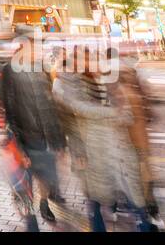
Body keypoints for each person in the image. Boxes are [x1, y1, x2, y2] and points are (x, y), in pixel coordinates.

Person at [52, 47, 154, 232]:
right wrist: (78, 152)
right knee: (95, 201)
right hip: (91, 153)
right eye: (84, 59)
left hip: (119, 151)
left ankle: (144, 225)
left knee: (134, 199)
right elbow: (74, 117)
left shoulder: (109, 80)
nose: (91, 62)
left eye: (91, 58)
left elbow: (128, 114)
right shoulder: (69, 85)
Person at [0, 33, 66, 224]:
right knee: (25, 182)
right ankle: (30, 220)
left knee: (45, 176)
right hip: (25, 136)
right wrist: (19, 147)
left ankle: (44, 203)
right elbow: (10, 110)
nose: (39, 51)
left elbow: (50, 104)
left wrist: (59, 140)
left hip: (45, 135)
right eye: (35, 48)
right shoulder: (10, 71)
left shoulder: (42, 70)